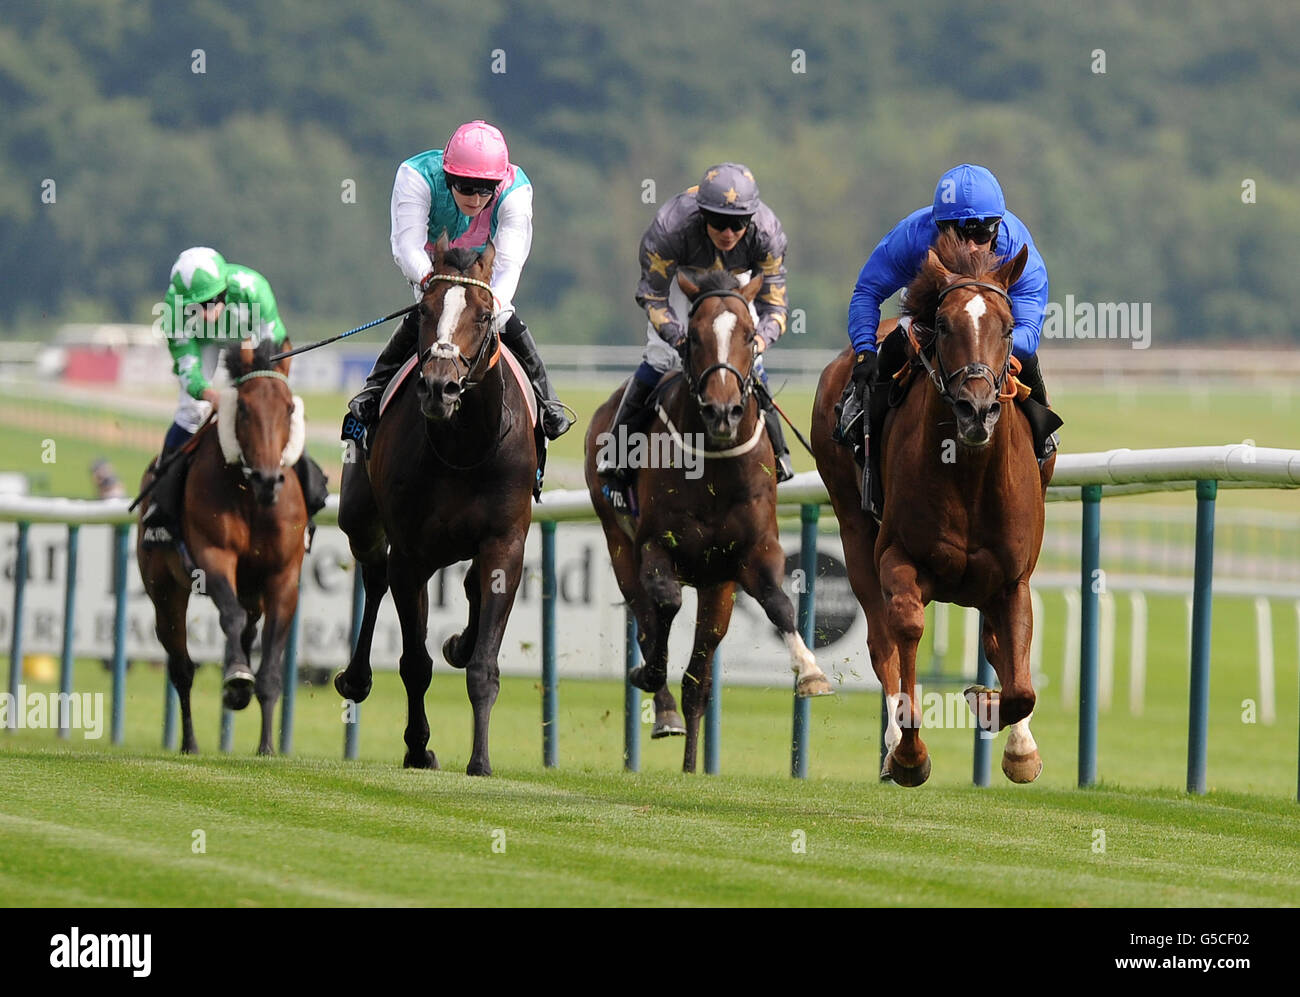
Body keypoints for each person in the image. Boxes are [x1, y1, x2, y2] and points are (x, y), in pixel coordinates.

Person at [838, 163, 1061, 515]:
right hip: (933, 315)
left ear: (998, 227)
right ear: (937, 227)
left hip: (990, 327)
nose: (970, 247)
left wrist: (982, 349)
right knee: (895, 344)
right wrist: (865, 351)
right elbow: (867, 291)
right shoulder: (914, 236)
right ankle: (864, 436)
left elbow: (1028, 334)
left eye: (981, 233)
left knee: (1026, 360)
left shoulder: (1019, 249)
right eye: (955, 234)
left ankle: (1042, 440)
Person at [342, 119, 570, 453]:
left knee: (504, 315)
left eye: (485, 189)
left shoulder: (515, 191)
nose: (476, 199)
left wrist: (489, 304)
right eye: (465, 187)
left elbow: (509, 264)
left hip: (482, 273)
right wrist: (433, 285)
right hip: (435, 268)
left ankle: (547, 400)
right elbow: (407, 248)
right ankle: (372, 391)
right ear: (448, 177)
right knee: (430, 315)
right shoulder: (415, 176)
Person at [597, 162, 795, 484]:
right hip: (683, 277)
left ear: (751, 218)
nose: (729, 233)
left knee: (749, 361)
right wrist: (677, 339)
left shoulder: (768, 233)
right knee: (661, 356)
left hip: (737, 282)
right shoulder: (669, 228)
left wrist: (757, 343)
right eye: (719, 223)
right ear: (703, 215)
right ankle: (618, 451)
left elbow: (774, 305)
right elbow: (652, 295)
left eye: (738, 224)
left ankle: (779, 453)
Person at [141, 246, 328, 543]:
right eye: (195, 306)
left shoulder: (254, 290)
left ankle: (310, 500)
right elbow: (188, 368)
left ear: (224, 290)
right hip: (204, 346)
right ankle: (160, 507)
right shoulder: (172, 309)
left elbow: (276, 350)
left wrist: (267, 394)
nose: (204, 312)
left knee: (268, 412)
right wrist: (210, 395)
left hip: (248, 341)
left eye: (210, 302)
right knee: (191, 411)